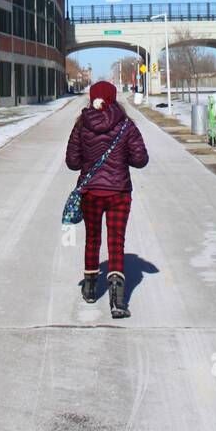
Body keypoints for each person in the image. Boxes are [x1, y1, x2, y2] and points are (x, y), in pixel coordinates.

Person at [65, 79, 149, 318]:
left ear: (92, 98)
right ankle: (118, 301)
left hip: (90, 192)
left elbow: (72, 163)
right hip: (119, 193)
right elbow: (141, 160)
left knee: (92, 239)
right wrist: (121, 158)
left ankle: (91, 290)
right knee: (116, 242)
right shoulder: (126, 126)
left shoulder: (81, 125)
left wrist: (89, 157)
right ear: (114, 98)